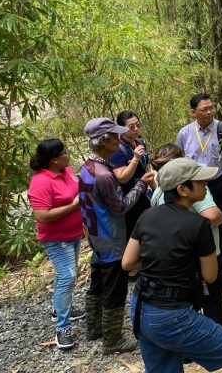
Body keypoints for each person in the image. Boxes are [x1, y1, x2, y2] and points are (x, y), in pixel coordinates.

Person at [123, 158, 222, 373]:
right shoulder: (199, 225)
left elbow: (128, 263)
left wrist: (161, 262)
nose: (206, 185)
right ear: (183, 189)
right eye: (201, 182)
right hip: (172, 314)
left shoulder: (147, 215)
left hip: (141, 307)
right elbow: (211, 276)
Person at [79, 117, 156, 354]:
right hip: (111, 237)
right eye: (114, 136)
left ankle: (94, 328)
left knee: (98, 282)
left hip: (96, 237)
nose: (117, 139)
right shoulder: (104, 174)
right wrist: (141, 185)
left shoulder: (87, 167)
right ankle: (112, 340)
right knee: (114, 288)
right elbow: (120, 206)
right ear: (104, 140)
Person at [149, 144, 222, 331]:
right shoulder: (193, 189)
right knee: (213, 302)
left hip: (176, 258)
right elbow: (213, 215)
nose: (205, 184)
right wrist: (203, 225)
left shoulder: (160, 189)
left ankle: (189, 348)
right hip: (203, 256)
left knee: (187, 304)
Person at [28, 138, 84, 350]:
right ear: (53, 160)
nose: (68, 155)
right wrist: (74, 206)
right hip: (56, 239)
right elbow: (41, 215)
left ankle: (59, 309)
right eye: (64, 152)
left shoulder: (67, 170)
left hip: (74, 233)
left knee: (69, 275)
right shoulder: (41, 182)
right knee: (67, 276)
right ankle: (62, 327)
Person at [176, 93, 222, 280]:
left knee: (220, 221)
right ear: (193, 112)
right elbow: (178, 160)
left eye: (211, 107)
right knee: (193, 222)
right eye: (204, 109)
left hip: (216, 182)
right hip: (192, 185)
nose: (209, 112)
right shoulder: (184, 133)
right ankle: (197, 261)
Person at [109, 110, 152, 241]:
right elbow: (122, 177)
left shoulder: (139, 142)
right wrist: (135, 158)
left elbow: (146, 165)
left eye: (138, 125)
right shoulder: (117, 149)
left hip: (144, 193)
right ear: (121, 129)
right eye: (131, 127)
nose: (136, 129)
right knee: (134, 232)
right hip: (128, 198)